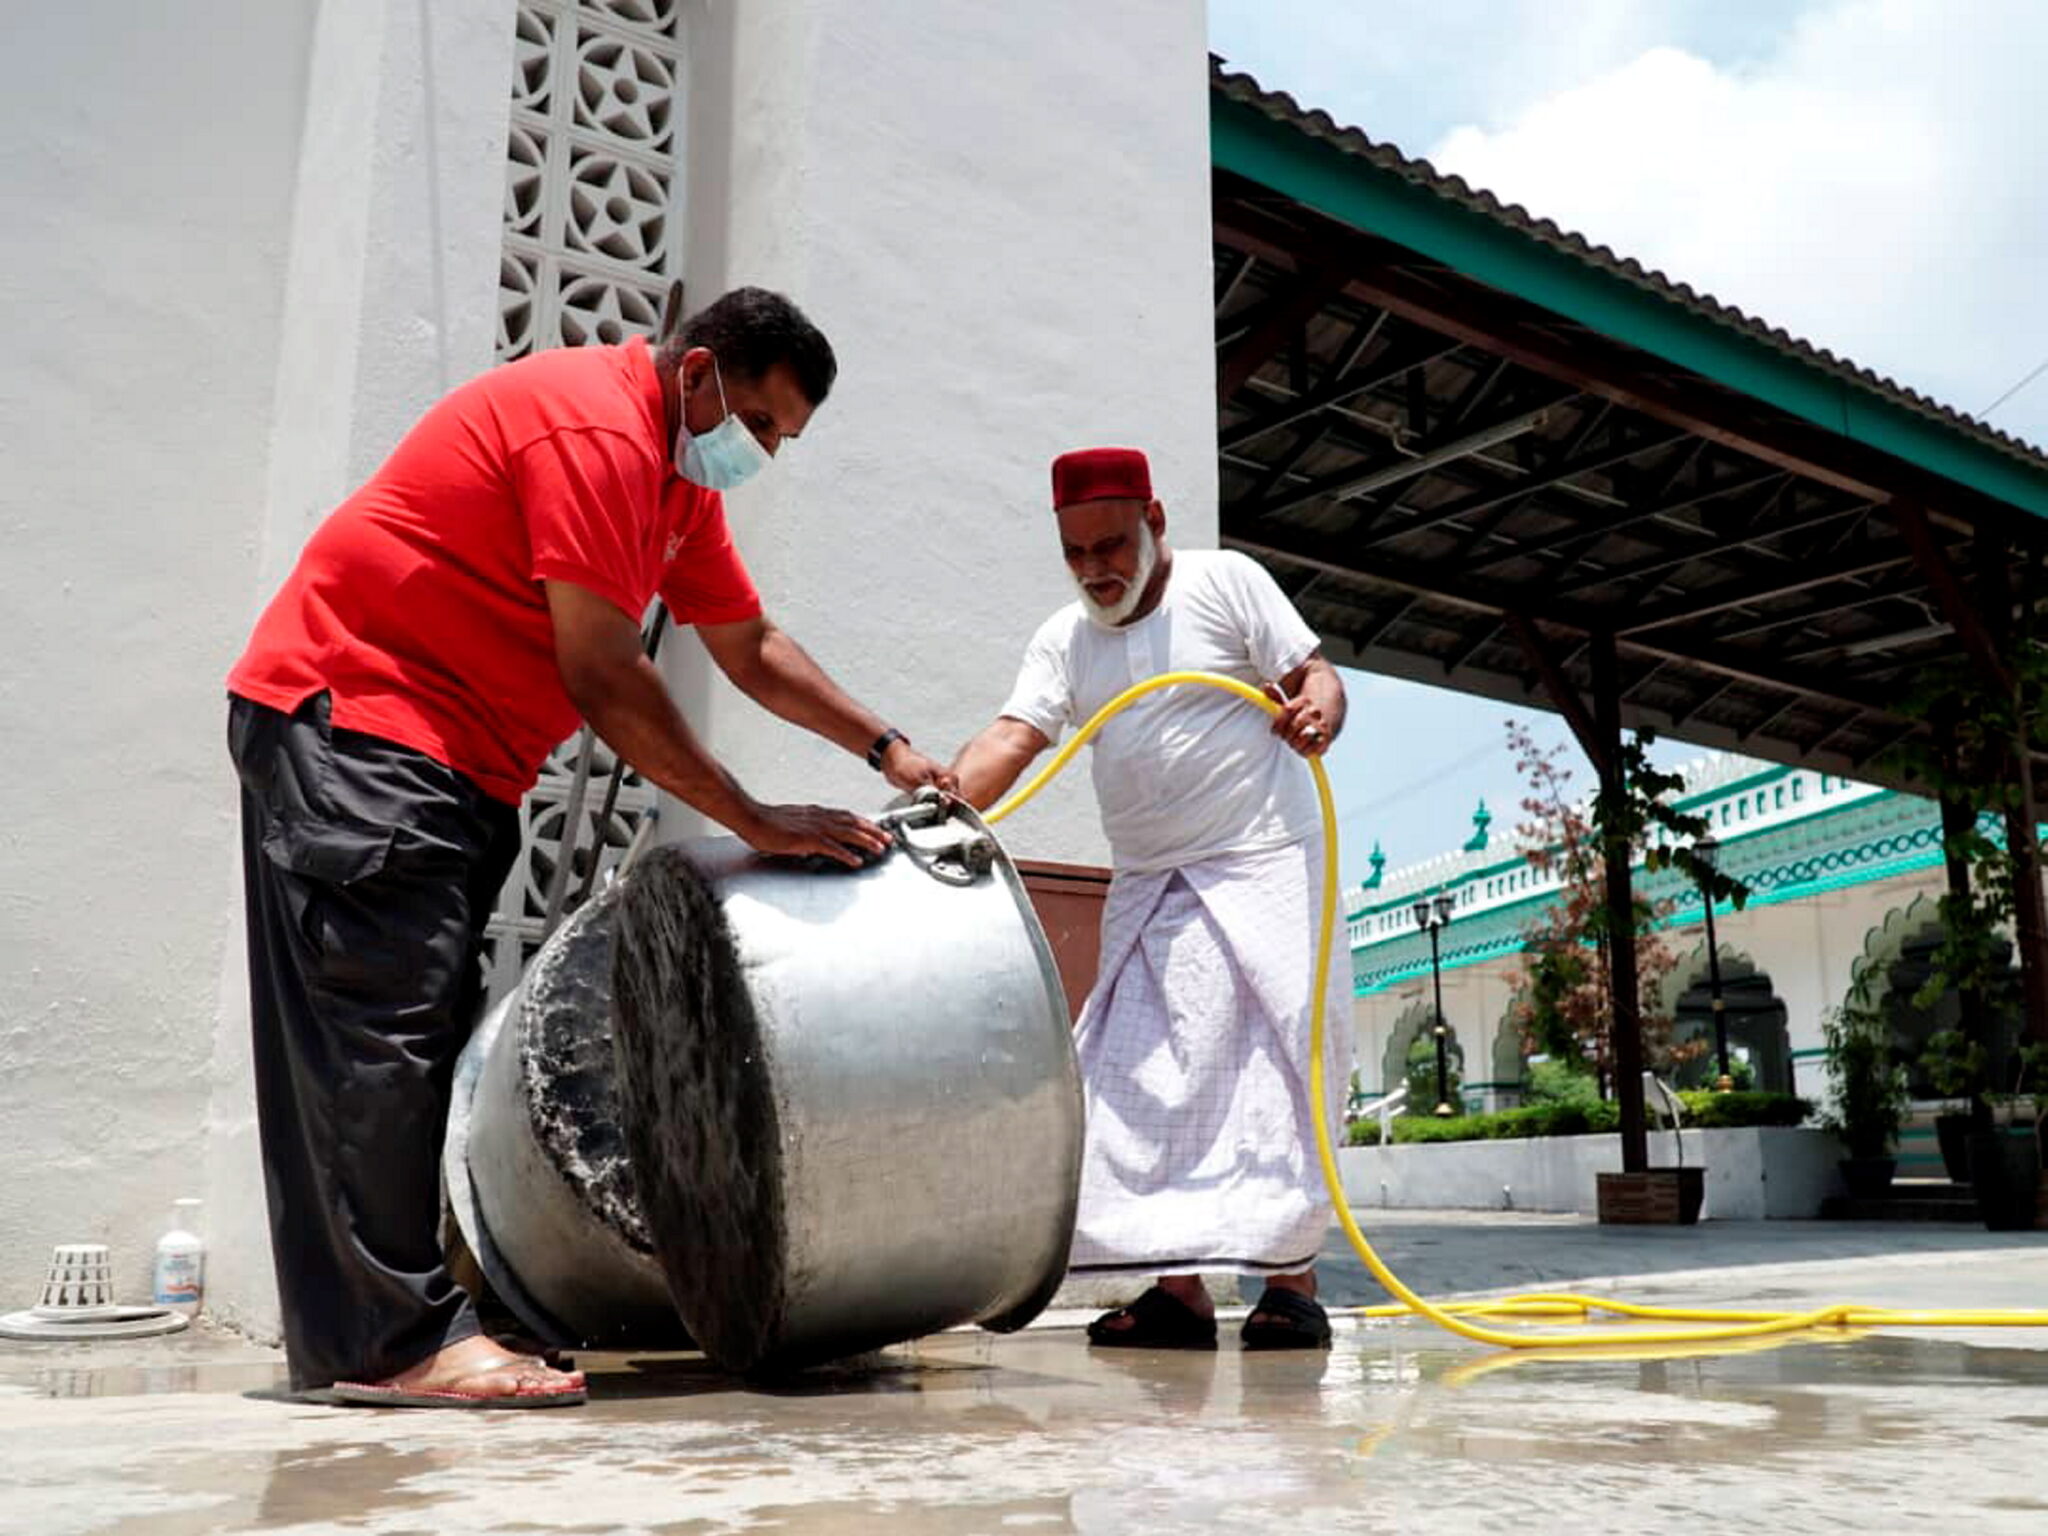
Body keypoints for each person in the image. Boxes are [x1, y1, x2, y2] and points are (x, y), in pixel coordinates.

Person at [226, 286, 955, 1406]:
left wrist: (884, 747)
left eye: (782, 440)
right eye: (758, 424)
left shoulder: (673, 479)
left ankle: (407, 1321)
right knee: (376, 1035)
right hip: (362, 728)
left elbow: (748, 643)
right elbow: (604, 669)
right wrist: (754, 820)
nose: (761, 453)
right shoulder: (597, 433)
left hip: (448, 761)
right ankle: (387, 1346)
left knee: (414, 1031)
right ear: (700, 372)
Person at [951, 446, 1348, 1350]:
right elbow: (1014, 736)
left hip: (1265, 861)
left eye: (1113, 545)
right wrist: (940, 794)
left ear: (1156, 521)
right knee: (1139, 1081)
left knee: (1280, 1070)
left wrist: (1317, 711)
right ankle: (1180, 1293)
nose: (1097, 570)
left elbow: (1317, 676)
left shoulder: (1228, 584)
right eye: (1076, 553)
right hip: (1151, 883)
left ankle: (1291, 1287)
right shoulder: (1066, 641)